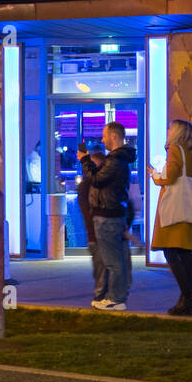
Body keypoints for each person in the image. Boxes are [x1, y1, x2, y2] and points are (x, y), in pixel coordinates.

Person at [78, 123, 135, 310]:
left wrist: (85, 161)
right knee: (114, 261)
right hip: (111, 214)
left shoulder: (115, 160)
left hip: (108, 216)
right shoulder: (118, 159)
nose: (102, 140)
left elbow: (96, 180)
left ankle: (115, 299)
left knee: (113, 262)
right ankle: (115, 297)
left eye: (104, 136)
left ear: (114, 136)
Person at [150, 119, 192, 315]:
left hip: (173, 210)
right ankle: (188, 300)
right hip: (188, 209)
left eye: (171, 128)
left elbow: (169, 177)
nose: (168, 131)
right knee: (183, 252)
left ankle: (187, 296)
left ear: (177, 133)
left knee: (171, 252)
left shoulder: (175, 149)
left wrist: (154, 174)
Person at [77, 148, 107, 302]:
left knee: (102, 265)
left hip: (98, 232)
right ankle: (101, 295)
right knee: (102, 265)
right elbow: (87, 212)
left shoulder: (90, 185)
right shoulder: (89, 186)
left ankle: (102, 295)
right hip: (97, 232)